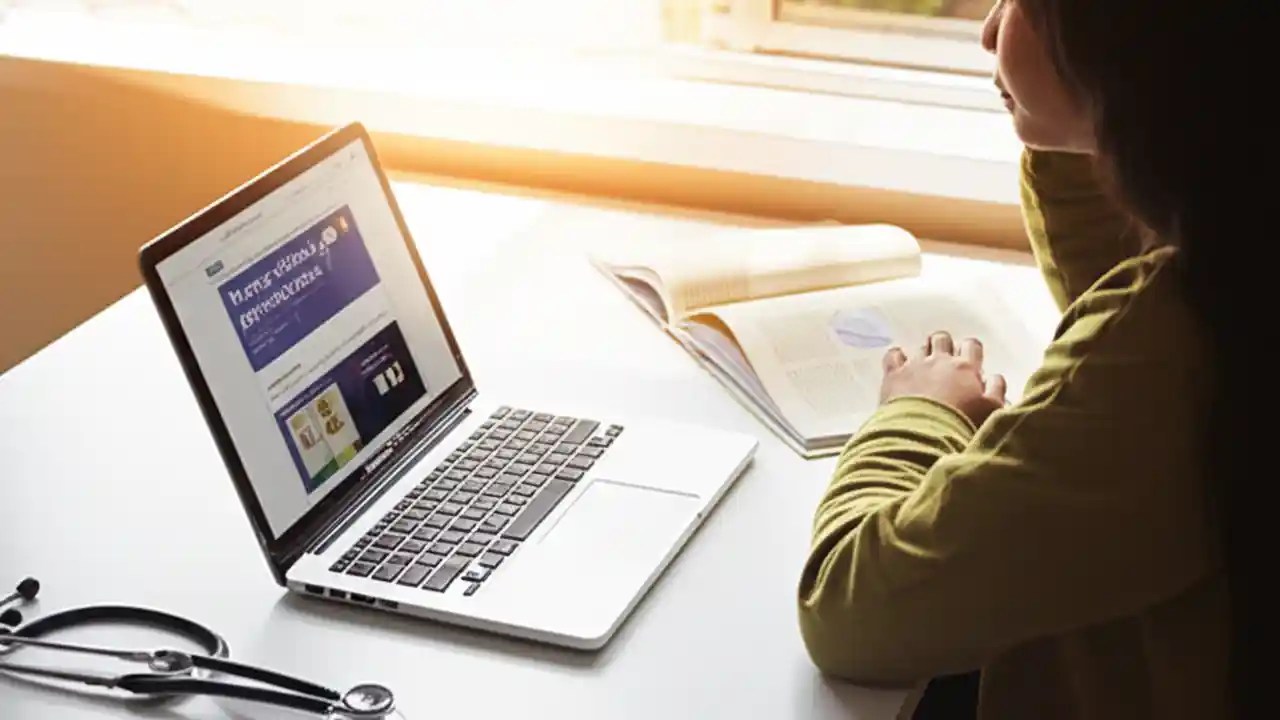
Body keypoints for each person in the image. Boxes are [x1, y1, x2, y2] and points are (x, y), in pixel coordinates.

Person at [796, 0, 1261, 717]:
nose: (987, 31)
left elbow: (848, 611)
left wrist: (918, 413)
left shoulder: (1169, 345)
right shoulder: (1228, 258)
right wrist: (1099, 121)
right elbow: (1114, 290)